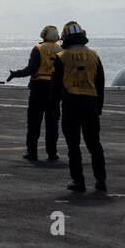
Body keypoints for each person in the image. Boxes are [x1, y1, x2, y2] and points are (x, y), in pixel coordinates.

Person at [52, 20, 107, 194]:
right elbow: (100, 83)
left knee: (73, 146)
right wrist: (99, 107)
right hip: (91, 103)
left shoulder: (62, 57)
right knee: (94, 144)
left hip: (71, 104)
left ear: (65, 37)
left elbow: (56, 86)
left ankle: (79, 181)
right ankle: (101, 181)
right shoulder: (94, 55)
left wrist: (54, 108)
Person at [7, 25, 62, 162]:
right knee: (52, 123)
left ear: (44, 35)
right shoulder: (61, 50)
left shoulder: (38, 48)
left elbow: (31, 69)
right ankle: (52, 153)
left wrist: (16, 74)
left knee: (34, 122)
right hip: (55, 89)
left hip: (39, 88)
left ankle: (32, 152)